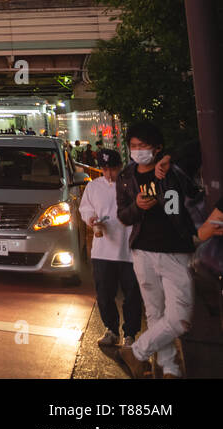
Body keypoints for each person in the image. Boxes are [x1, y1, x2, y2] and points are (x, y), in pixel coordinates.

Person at [116, 122, 201, 378]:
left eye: (143, 146)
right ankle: (169, 369)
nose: (138, 151)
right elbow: (123, 216)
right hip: (143, 251)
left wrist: (168, 159)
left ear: (157, 148)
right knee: (155, 313)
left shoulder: (173, 170)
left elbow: (196, 147)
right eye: (133, 146)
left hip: (175, 250)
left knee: (180, 318)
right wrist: (138, 207)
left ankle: (136, 351)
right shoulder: (126, 177)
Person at [80, 148, 144, 347]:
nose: (109, 173)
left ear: (120, 166)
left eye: (113, 169)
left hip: (129, 249)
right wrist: (91, 219)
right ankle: (111, 329)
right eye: (105, 169)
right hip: (103, 250)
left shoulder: (132, 185)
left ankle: (130, 334)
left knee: (132, 293)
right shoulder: (93, 187)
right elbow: (85, 207)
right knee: (104, 293)